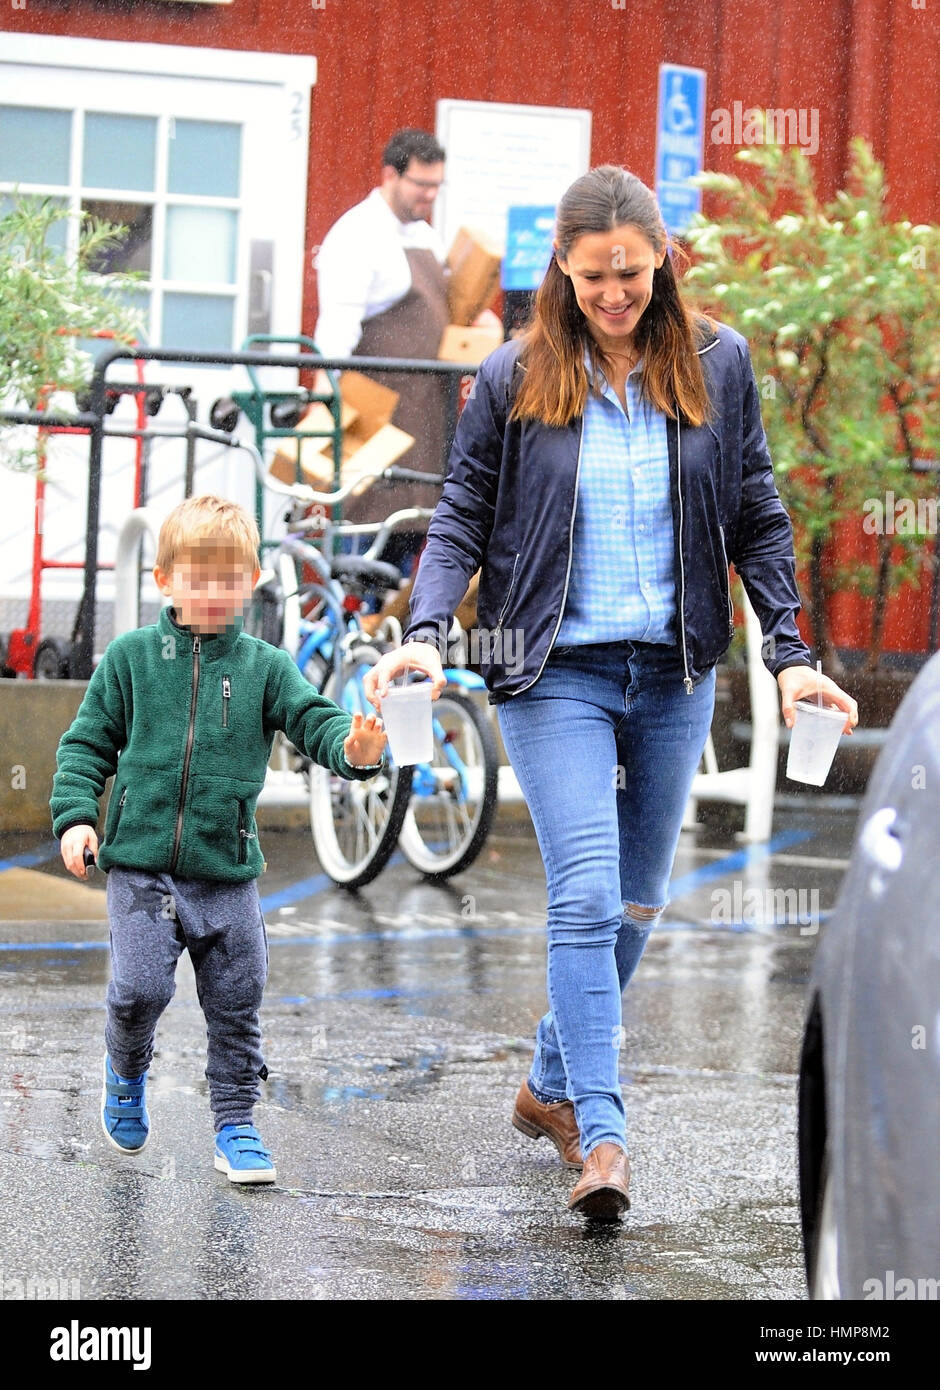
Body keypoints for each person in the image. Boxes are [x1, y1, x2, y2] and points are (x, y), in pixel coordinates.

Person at [362, 165, 858, 1221]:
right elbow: (459, 515)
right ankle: (600, 1132)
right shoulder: (513, 373)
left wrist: (790, 651)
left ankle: (545, 1082)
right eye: (594, 278)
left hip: (672, 668)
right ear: (563, 268)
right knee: (584, 896)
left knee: (636, 904)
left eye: (630, 273)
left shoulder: (718, 362)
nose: (614, 294)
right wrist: (423, 633)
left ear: (663, 257)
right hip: (552, 669)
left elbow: (756, 514)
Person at [50, 495, 387, 1184]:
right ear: (165, 580)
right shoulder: (131, 659)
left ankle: (235, 1123)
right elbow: (86, 747)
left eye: (227, 578)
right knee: (140, 988)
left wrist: (354, 748)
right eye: (196, 578)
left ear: (251, 580)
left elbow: (314, 721)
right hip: (141, 870)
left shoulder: (263, 665)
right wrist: (76, 817)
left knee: (238, 999)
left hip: (226, 869)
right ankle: (126, 1064)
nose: (211, 592)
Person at [313, 127, 499, 580]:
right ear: (390, 175)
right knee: (365, 532)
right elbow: (337, 326)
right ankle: (349, 635)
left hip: (425, 421)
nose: (429, 196)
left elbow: (452, 309)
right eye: (421, 184)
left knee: (414, 534)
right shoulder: (357, 235)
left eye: (437, 186)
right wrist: (324, 399)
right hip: (375, 418)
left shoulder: (426, 238)